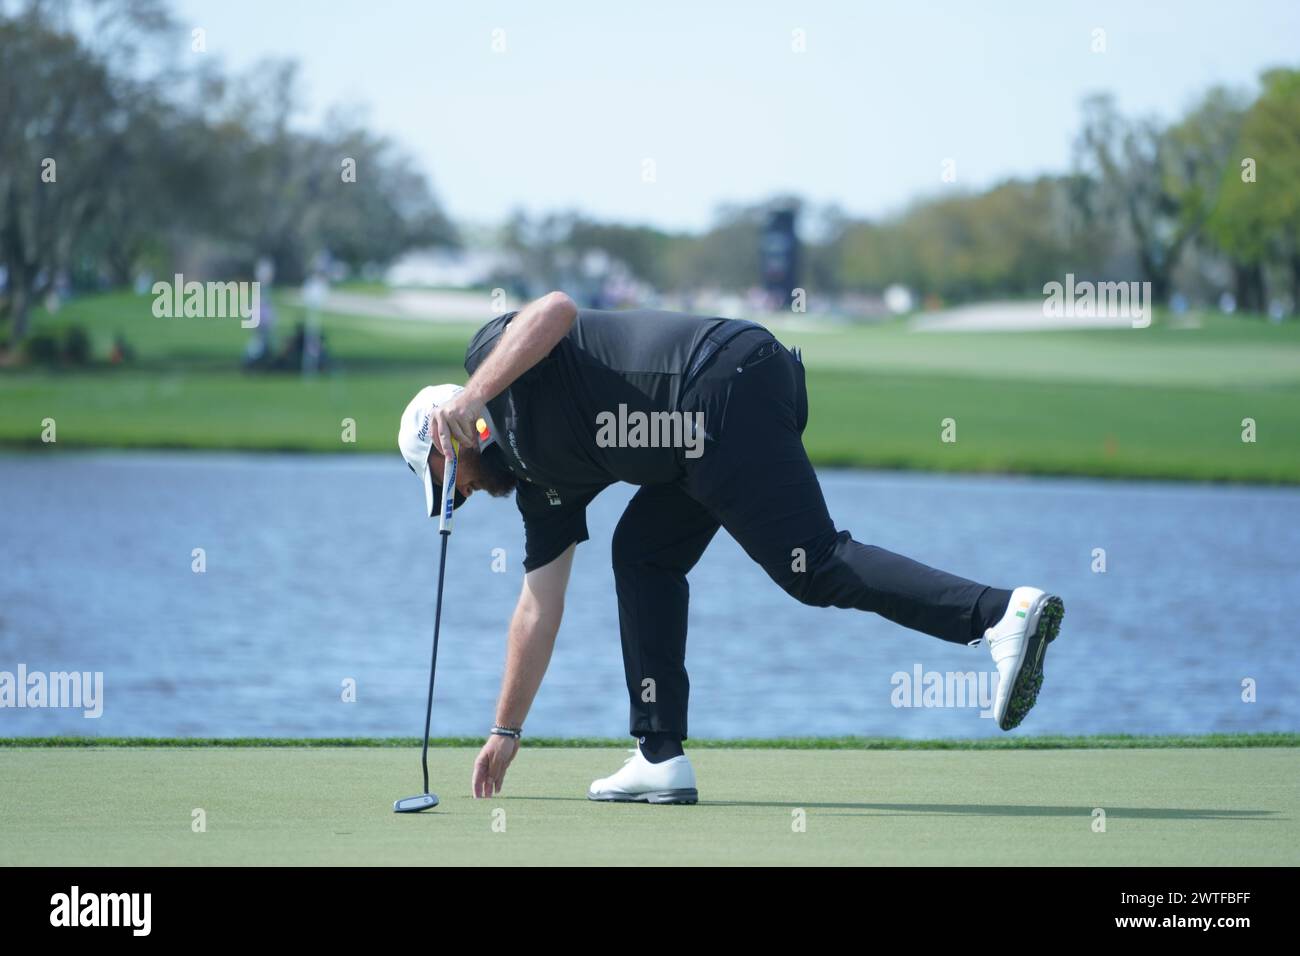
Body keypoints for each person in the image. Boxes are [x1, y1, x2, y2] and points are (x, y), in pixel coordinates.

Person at [396, 291, 1065, 804]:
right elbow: (536, 611)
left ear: (445, 438)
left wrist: (478, 391)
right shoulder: (543, 490)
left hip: (720, 384)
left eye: (449, 487)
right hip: (708, 426)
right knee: (642, 552)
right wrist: (504, 731)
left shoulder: (493, 364)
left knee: (815, 564)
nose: (465, 498)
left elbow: (557, 309)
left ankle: (999, 614)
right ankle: (659, 755)